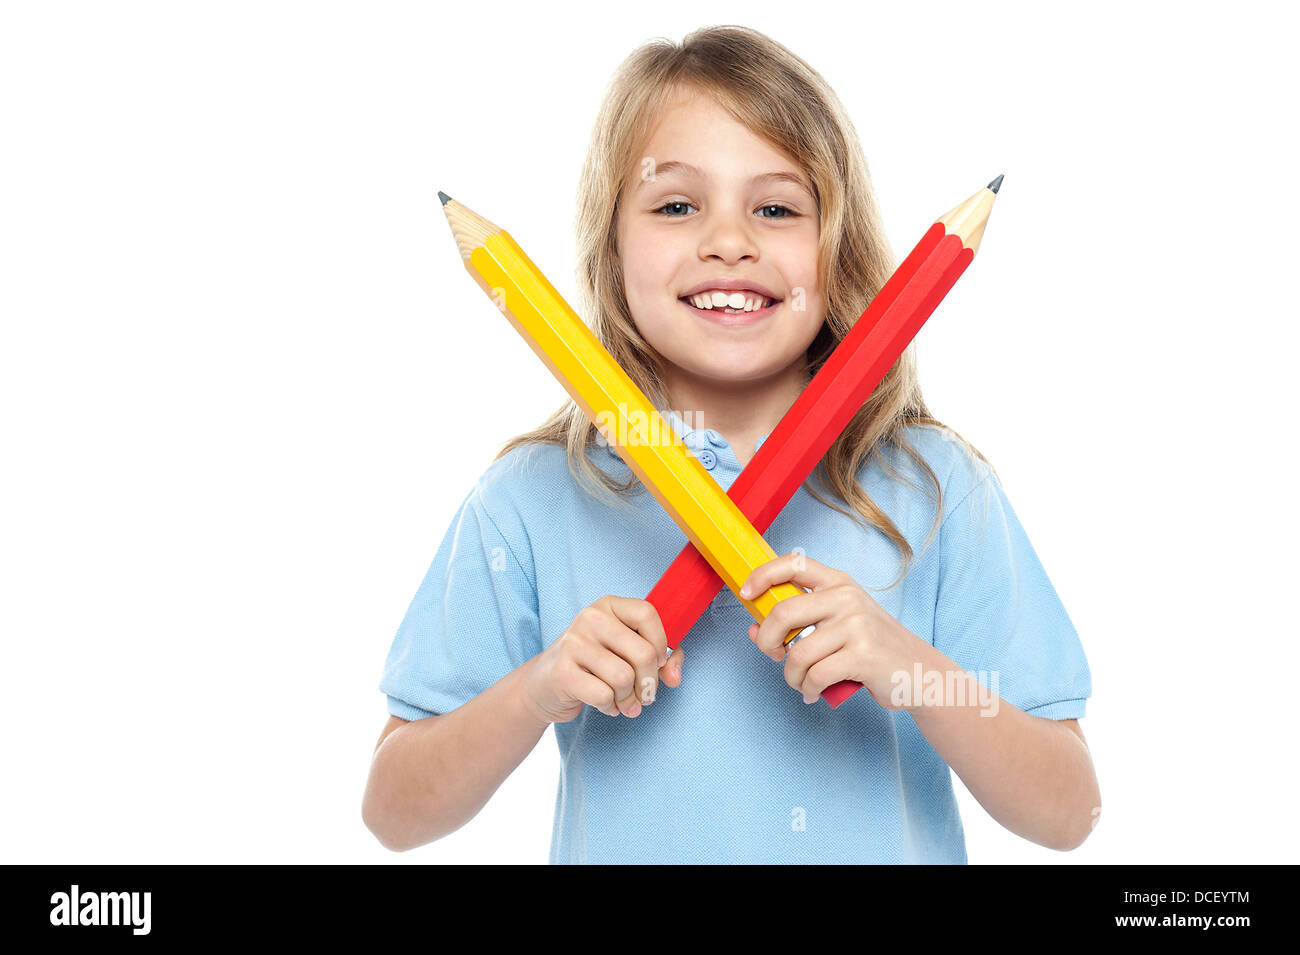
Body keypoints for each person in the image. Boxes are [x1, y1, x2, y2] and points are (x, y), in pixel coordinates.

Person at [361, 24, 1100, 863]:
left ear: (836, 245)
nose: (727, 240)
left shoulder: (936, 487)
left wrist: (910, 669)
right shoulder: (533, 495)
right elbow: (394, 809)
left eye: (777, 208)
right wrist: (538, 689)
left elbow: (1068, 809)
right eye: (676, 204)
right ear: (613, 244)